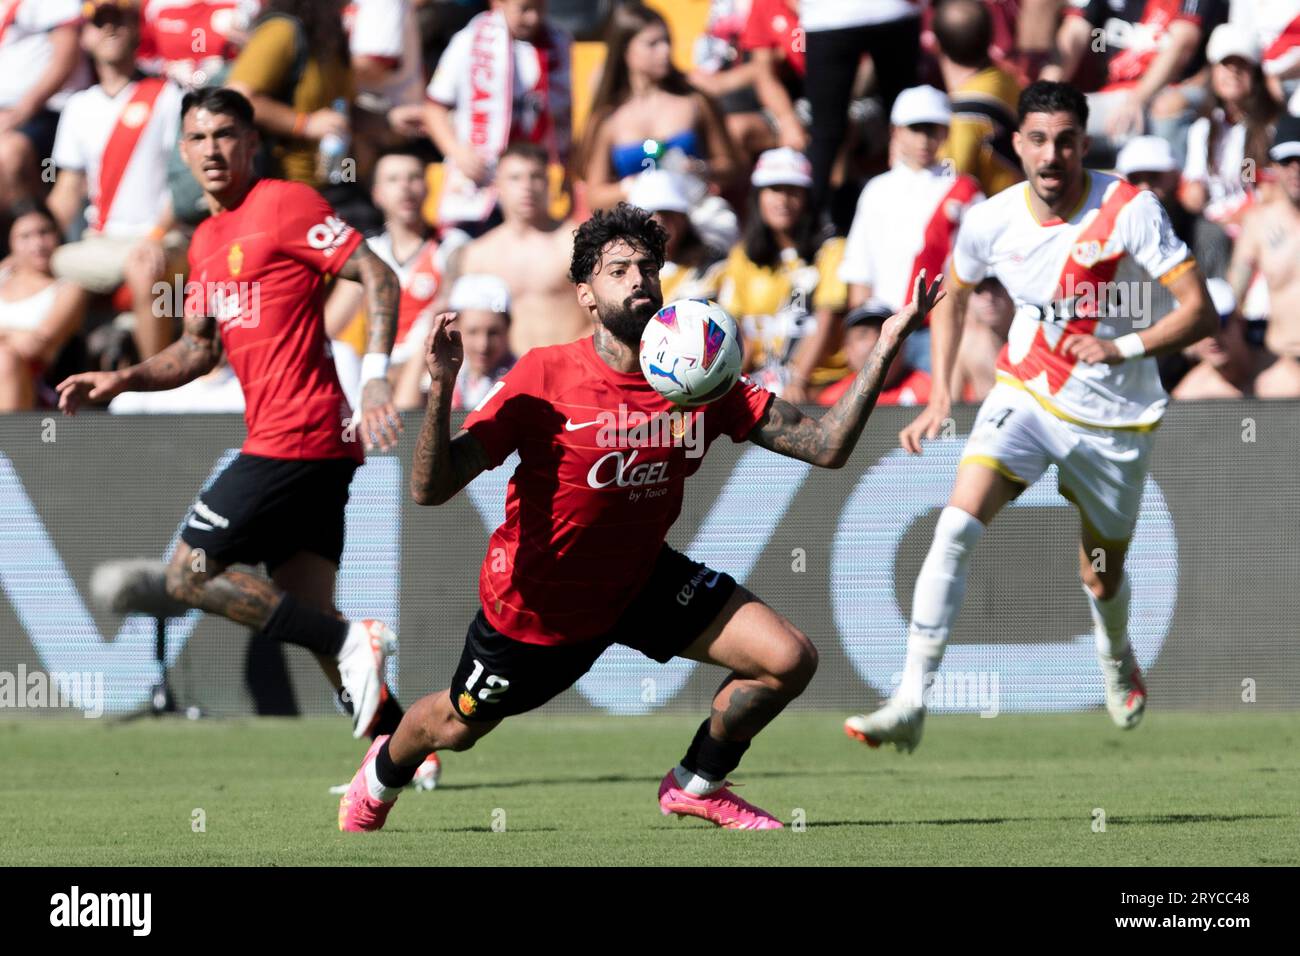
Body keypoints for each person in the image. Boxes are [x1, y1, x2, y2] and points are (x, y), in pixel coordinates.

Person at [335, 202, 943, 832]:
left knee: (787, 659)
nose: (638, 280)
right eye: (618, 269)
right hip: (539, 607)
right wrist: (440, 389)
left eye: (648, 267)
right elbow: (429, 490)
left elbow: (826, 446)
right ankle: (380, 775)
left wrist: (887, 346)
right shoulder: (545, 375)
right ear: (587, 294)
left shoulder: (700, 374)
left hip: (639, 583)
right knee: (455, 727)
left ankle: (697, 783)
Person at [845, 81, 1217, 751]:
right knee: (955, 526)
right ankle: (909, 699)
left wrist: (1118, 344)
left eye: (1066, 140)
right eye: (1038, 140)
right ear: (1017, 145)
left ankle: (1114, 653)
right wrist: (939, 394)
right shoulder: (989, 220)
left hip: (1114, 418)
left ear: (1083, 144)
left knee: (1099, 574)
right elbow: (954, 293)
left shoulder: (1128, 210)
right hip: (1027, 392)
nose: (1052, 156)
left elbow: (1200, 311)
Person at [54, 87, 417, 750]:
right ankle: (399, 753)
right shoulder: (204, 241)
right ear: (183, 151)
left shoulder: (286, 203)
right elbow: (199, 349)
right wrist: (123, 378)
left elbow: (379, 275)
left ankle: (352, 641)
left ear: (252, 143)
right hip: (299, 444)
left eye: (226, 134)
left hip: (301, 433)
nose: (213, 148)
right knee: (305, 610)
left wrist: (373, 380)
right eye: (198, 137)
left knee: (188, 574)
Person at [46, 0, 186, 360]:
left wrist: (156, 236)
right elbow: (66, 192)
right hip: (101, 243)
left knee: (143, 267)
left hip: (160, 237)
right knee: (37, 269)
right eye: (100, 22)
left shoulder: (169, 96)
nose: (110, 29)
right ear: (86, 36)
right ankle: (44, 390)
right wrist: (29, 246)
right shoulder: (79, 106)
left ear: (139, 29)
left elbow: (185, 182)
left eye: (121, 20)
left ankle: (158, 386)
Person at [840, 86, 984, 375]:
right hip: (887, 326)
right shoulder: (876, 190)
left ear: (945, 132)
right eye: (915, 128)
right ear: (896, 131)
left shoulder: (965, 190)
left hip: (941, 328)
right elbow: (859, 274)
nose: (924, 139)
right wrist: (867, 334)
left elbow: (979, 269)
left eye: (933, 129)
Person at [424, 0, 572, 233]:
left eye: (540, 9)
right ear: (499, 3)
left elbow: (564, 117)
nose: (533, 18)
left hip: (528, 184)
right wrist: (456, 151)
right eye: (524, 9)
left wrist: (568, 169)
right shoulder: (469, 40)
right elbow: (434, 108)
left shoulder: (558, 45)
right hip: (479, 182)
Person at [577, 1, 739, 212]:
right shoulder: (609, 119)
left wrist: (699, 168)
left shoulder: (694, 101)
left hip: (691, 219)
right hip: (635, 226)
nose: (665, 50)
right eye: (652, 44)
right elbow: (595, 197)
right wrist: (635, 186)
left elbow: (731, 167)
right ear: (626, 51)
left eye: (667, 41)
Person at [718, 147, 849, 402]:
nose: (783, 200)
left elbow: (827, 320)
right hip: (759, 382)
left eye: (793, 191)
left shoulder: (831, 250)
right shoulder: (741, 257)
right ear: (758, 198)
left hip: (819, 384)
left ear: (808, 197)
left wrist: (798, 379)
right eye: (774, 189)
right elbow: (735, 329)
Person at [443, 141, 589, 356]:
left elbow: (602, 318)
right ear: (497, 186)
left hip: (569, 368)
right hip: (507, 379)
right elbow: (458, 325)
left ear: (549, 183)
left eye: (536, 177)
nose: (527, 186)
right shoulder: (476, 255)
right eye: (515, 178)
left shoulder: (577, 243)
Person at [1041, 0, 1223, 164]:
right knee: (1048, 124)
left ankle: (1176, 196)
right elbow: (1074, 33)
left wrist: (1137, 99)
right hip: (1114, 95)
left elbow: (1183, 44)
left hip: (1167, 91)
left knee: (1161, 109)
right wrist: (1042, 97)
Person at [800, 0, 925, 233]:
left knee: (826, 133)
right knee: (905, 120)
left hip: (836, 16)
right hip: (886, 13)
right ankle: (916, 224)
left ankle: (803, 240)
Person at [326, 149, 449, 379]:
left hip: (428, 372)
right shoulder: (368, 252)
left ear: (428, 188)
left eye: (413, 177)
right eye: (393, 179)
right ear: (377, 194)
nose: (405, 187)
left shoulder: (450, 247)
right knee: (338, 352)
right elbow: (330, 327)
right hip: (377, 369)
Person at [1181, 23, 1282, 237]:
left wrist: (1239, 215)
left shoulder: (1271, 127)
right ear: (1213, 71)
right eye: (1226, 64)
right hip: (1213, 226)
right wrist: (1192, 193)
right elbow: (1193, 187)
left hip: (1256, 226)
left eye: (1242, 65)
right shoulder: (1202, 129)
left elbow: (1271, 192)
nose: (1233, 72)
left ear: (1255, 74)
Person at [1229, 114, 1300, 398]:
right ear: (1273, 166)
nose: (1296, 169)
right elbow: (1234, 298)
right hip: (1279, 361)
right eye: (1287, 161)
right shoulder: (1258, 223)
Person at [0, 200, 87, 412]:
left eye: (44, 232)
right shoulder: (2, 277)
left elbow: (37, 344)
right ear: (11, 243)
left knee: (5, 359)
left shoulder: (69, 288)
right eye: (25, 237)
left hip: (36, 386)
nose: (37, 243)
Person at [932, 0, 1024, 198]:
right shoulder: (1009, 81)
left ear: (937, 46)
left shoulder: (965, 111)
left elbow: (950, 180)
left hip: (994, 214)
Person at [0, 0, 87, 207]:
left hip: (45, 111)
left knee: (8, 154)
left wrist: (20, 112)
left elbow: (66, 55)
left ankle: (34, 228)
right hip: (10, 112)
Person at [393, 272, 515, 410]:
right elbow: (405, 412)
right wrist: (430, 333)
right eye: (473, 332)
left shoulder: (519, 374)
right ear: (455, 327)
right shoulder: (446, 369)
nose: (483, 345)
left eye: (493, 333)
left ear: (507, 329)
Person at [626, 169, 726, 302]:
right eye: (649, 214)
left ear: (684, 217)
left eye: (667, 212)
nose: (659, 220)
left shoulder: (715, 268)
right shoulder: (623, 276)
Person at [817, 300, 931, 406]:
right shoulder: (832, 401)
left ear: (904, 344)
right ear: (846, 349)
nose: (873, 342)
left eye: (883, 333)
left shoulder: (930, 393)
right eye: (862, 335)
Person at [1169, 277, 1252, 399]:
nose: (1212, 337)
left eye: (1221, 323)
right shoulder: (1189, 397)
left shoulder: (1283, 377)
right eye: (1200, 329)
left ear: (1240, 322)